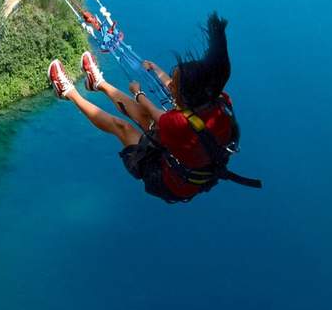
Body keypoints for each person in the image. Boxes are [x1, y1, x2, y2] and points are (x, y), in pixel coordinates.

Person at [47, 13, 260, 203]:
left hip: (167, 180)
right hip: (188, 157)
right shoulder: (219, 100)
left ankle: (68, 92)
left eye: (174, 86)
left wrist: (137, 92)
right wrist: (157, 70)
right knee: (147, 120)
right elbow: (172, 88)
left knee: (125, 127)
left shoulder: (177, 123)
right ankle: (98, 84)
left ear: (185, 98)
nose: (169, 86)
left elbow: (150, 110)